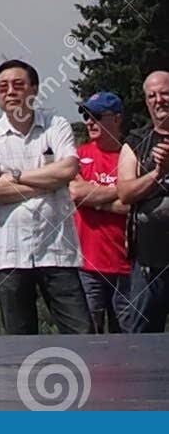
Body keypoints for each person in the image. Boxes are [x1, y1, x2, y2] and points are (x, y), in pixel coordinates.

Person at [0, 60, 91, 335]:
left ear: (34, 89)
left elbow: (68, 169)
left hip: (58, 251)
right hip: (9, 254)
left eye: (18, 85)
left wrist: (14, 177)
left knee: (82, 335)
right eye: (2, 87)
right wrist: (49, 183)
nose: (10, 92)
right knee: (19, 342)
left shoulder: (56, 126)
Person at [69, 90, 131, 334]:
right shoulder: (79, 155)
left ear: (116, 118)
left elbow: (133, 203)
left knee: (128, 338)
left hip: (125, 266)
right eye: (86, 116)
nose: (89, 122)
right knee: (88, 336)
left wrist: (94, 199)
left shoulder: (130, 156)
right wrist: (120, 191)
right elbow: (76, 192)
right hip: (87, 265)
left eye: (96, 116)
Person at [116, 69, 169, 333]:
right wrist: (158, 173)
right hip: (149, 262)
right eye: (152, 96)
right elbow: (125, 193)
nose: (159, 100)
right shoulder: (136, 142)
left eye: (165, 94)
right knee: (142, 339)